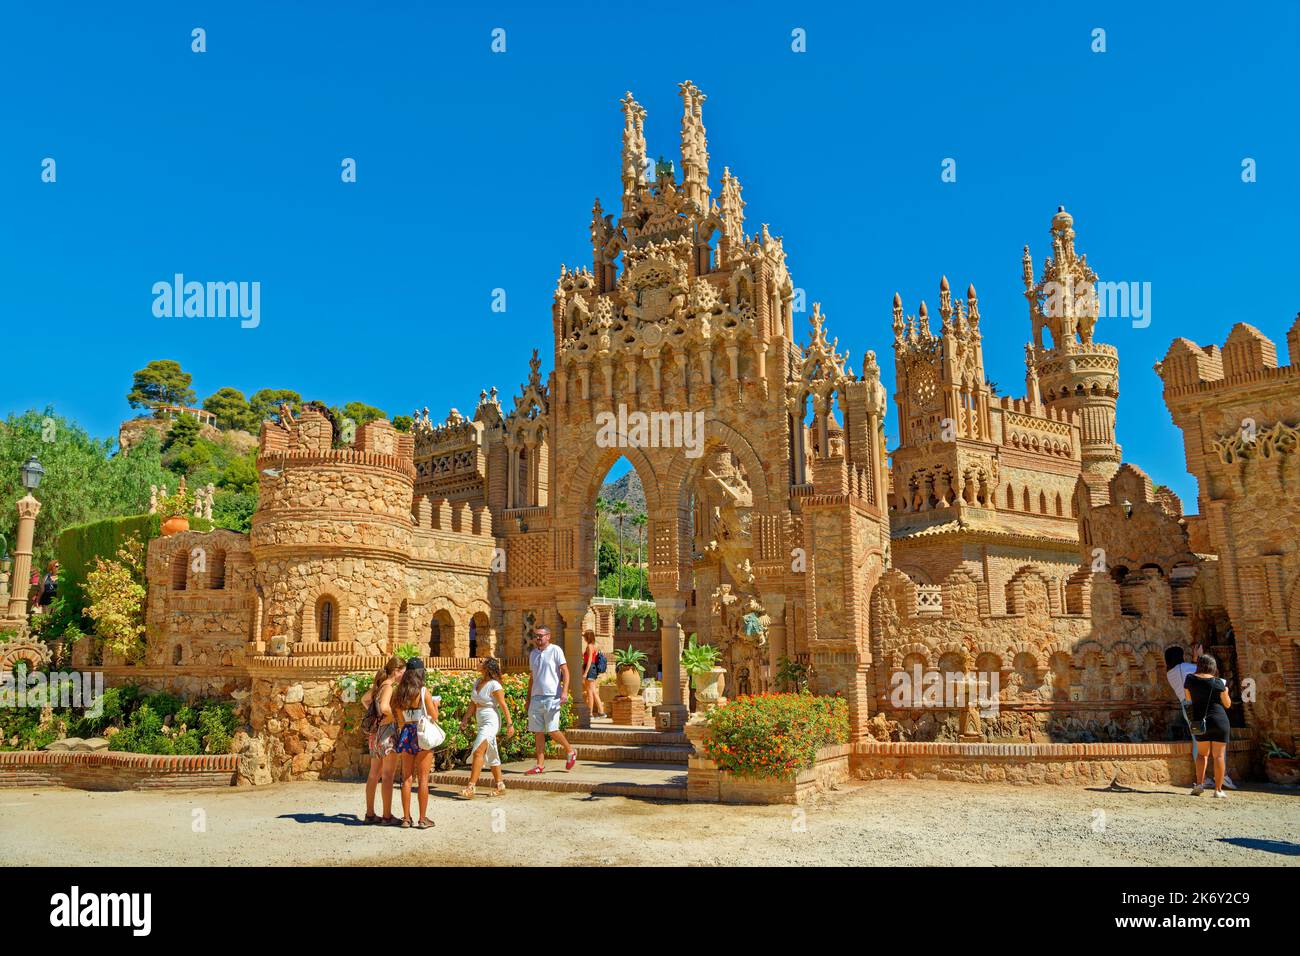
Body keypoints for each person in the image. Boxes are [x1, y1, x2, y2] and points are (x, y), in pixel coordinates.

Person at [1165, 644, 1236, 790]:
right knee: (1218, 748)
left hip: (1189, 707)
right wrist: (1199, 657)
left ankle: (1202, 781)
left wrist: (1195, 659)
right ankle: (1223, 778)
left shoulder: (1171, 672)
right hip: (1205, 706)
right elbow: (1205, 674)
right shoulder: (1183, 668)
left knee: (1198, 742)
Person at [523, 626, 577, 775]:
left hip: (552, 696)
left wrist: (564, 692)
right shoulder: (533, 654)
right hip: (536, 697)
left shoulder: (555, 650)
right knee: (538, 732)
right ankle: (539, 765)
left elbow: (565, 671)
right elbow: (532, 678)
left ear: (548, 636)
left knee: (552, 730)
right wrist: (528, 698)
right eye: (536, 636)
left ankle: (570, 751)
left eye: (541, 635)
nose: (538, 638)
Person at [458, 657, 514, 798]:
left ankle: (471, 787)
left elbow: (503, 705)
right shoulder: (477, 682)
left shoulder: (494, 685)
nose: (478, 662)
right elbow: (473, 703)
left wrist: (510, 724)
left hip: (491, 721)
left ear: (488, 667)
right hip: (481, 720)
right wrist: (465, 718)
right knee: (491, 752)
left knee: (478, 752)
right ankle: (500, 785)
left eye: (481, 661)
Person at [392, 658, 439, 829]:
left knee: (406, 778)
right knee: (423, 778)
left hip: (407, 733)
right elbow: (434, 717)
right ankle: (422, 819)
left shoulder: (399, 693)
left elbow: (400, 719)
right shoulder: (424, 692)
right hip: (422, 734)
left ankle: (405, 818)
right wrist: (436, 705)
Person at [359, 656, 404, 825]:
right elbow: (385, 707)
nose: (403, 677)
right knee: (387, 776)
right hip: (387, 734)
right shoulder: (389, 687)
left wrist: (378, 717)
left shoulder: (379, 686)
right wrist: (393, 717)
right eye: (402, 673)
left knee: (373, 774)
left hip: (375, 735)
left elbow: (365, 700)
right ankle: (387, 816)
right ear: (396, 671)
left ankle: (370, 814)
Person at [1184, 653, 1233, 797]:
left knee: (1201, 754)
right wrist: (1227, 691)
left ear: (1199, 665)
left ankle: (1199, 785)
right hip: (1220, 721)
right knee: (1218, 756)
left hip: (1201, 721)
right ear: (1213, 667)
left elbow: (1188, 699)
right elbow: (1227, 704)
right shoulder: (1219, 683)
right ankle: (1218, 790)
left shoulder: (1190, 679)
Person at [582, 630, 607, 719]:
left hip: (590, 669)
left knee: (589, 692)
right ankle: (601, 712)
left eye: (585, 636)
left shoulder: (589, 646)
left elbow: (589, 661)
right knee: (593, 691)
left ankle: (590, 713)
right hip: (593, 669)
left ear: (587, 637)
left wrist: (585, 673)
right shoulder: (594, 646)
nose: (583, 637)